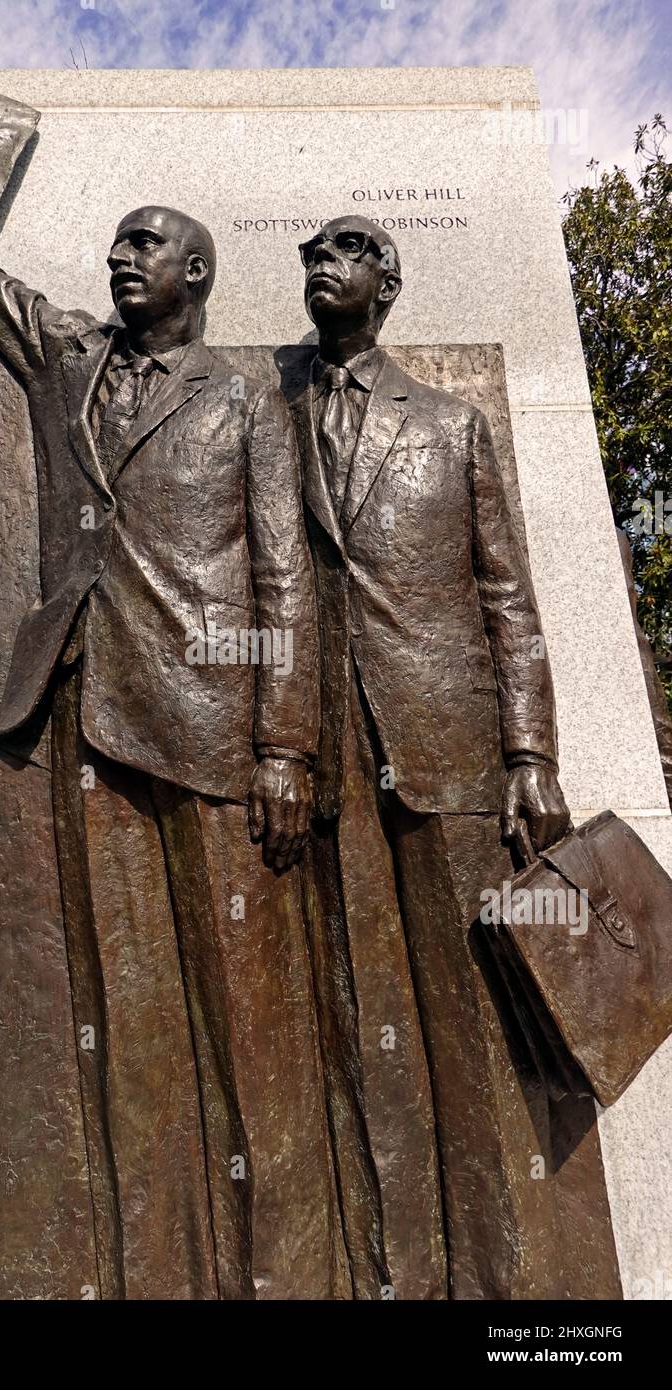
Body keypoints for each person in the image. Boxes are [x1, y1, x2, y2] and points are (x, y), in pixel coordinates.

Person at [0, 100, 350, 1301]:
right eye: (112, 243)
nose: (118, 255)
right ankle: (162, 1278)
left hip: (215, 737)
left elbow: (282, 575)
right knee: (134, 1039)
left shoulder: (245, 394)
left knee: (253, 1036)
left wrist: (284, 745)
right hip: (88, 718)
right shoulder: (69, 357)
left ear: (195, 270)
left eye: (143, 241)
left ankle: (290, 1280)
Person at [280, 214, 621, 1299]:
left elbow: (506, 598)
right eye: (308, 254)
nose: (317, 264)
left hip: (451, 754)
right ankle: (398, 1275)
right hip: (326, 768)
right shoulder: (262, 417)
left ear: (386, 280)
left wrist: (529, 752)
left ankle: (507, 1282)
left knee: (481, 1022)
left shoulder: (451, 426)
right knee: (363, 1026)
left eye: (342, 249)